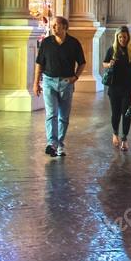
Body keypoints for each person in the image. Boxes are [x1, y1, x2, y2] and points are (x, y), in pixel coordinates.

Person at [33, 16, 86, 158]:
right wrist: (36, 82)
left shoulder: (74, 43)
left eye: (56, 25)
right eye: (53, 25)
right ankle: (52, 143)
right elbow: (39, 63)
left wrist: (75, 77)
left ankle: (60, 143)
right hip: (49, 81)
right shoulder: (46, 43)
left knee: (64, 116)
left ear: (64, 27)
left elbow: (82, 62)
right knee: (51, 113)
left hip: (66, 83)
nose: (53, 27)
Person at [102, 25, 131, 152]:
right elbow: (104, 63)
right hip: (114, 87)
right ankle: (115, 133)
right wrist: (109, 64)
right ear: (117, 37)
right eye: (120, 37)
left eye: (125, 37)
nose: (122, 39)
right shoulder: (112, 50)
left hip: (128, 87)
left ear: (128, 37)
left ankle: (124, 138)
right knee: (115, 113)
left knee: (126, 113)